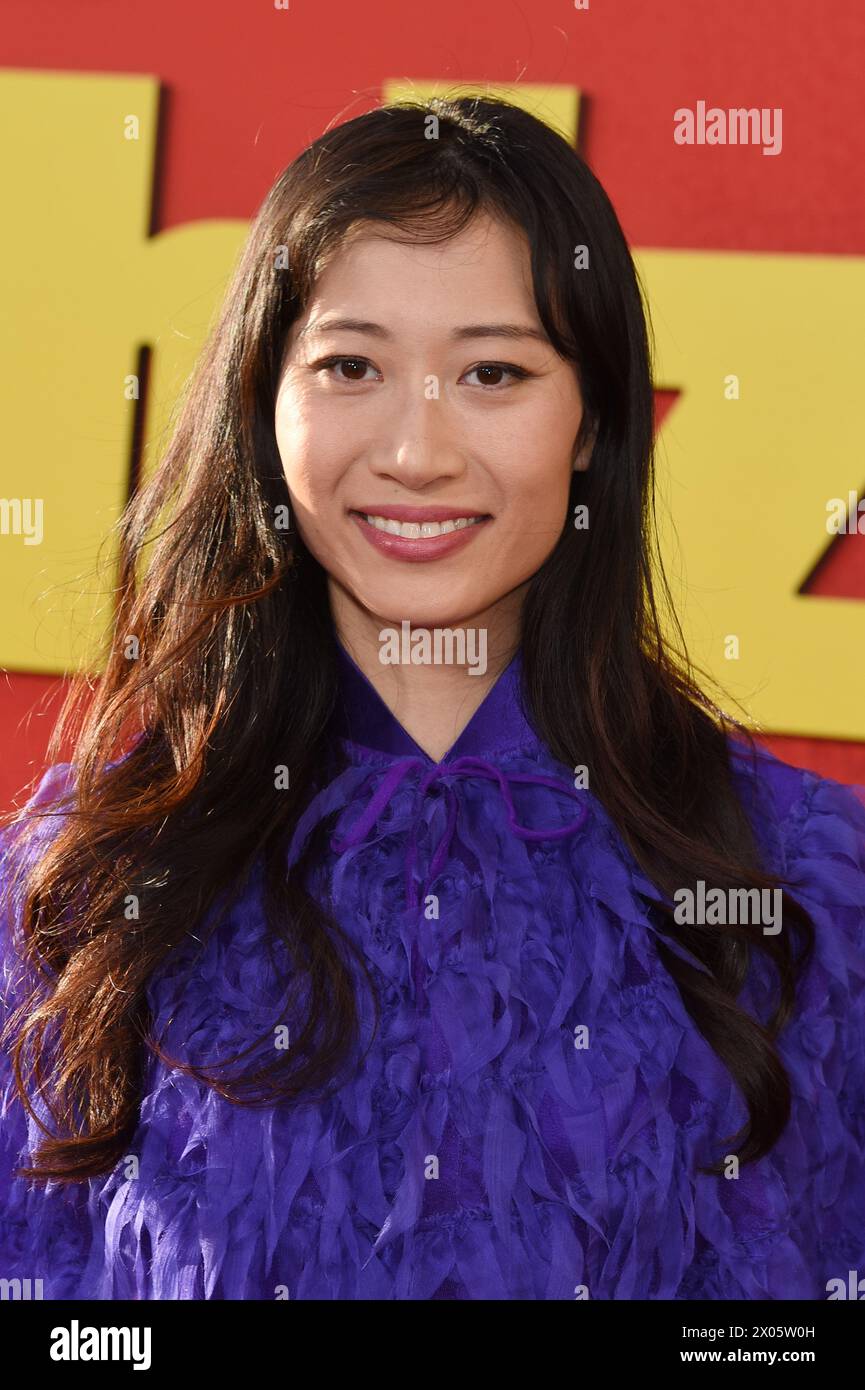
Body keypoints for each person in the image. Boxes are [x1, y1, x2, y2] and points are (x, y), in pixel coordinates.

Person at [1, 94, 864, 1301]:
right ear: (265, 405)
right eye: (351, 365)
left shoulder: (806, 885)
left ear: (594, 423)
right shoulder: (82, 887)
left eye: (493, 371)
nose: (417, 450)